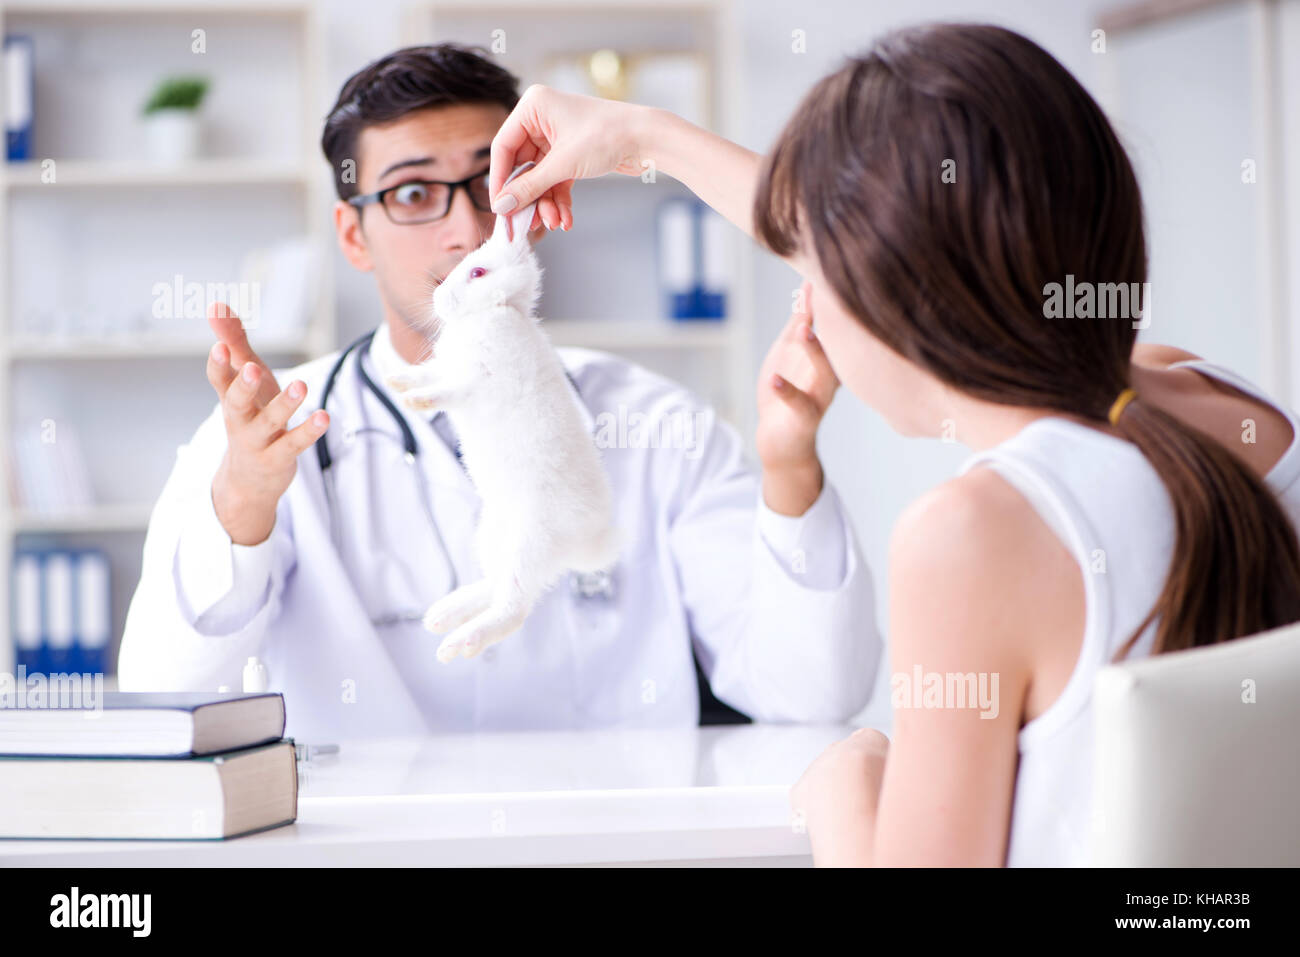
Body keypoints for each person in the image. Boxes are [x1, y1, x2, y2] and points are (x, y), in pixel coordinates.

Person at [491, 23, 1300, 865]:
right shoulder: (1229, 411)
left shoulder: (973, 536)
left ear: (897, 299)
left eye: (816, 272)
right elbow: (907, 238)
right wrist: (641, 135)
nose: (806, 300)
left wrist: (848, 782)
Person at [117, 44, 881, 737]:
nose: (465, 229)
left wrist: (790, 468)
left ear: (537, 207)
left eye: (491, 184)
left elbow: (817, 692)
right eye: (413, 193)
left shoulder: (654, 423)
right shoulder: (267, 437)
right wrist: (245, 503)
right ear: (354, 236)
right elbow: (160, 694)